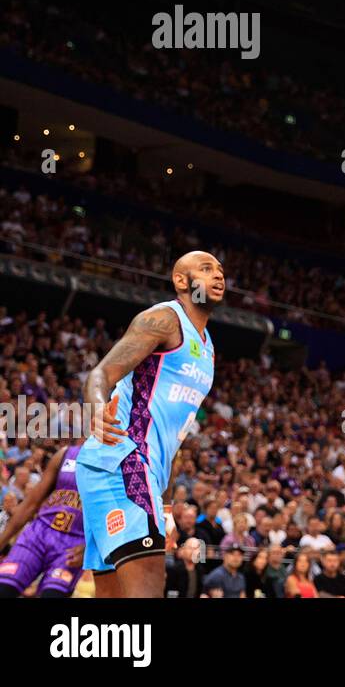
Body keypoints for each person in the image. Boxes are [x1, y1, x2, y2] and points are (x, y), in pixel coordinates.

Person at [75, 251, 223, 598]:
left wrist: (167, 507)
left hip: (131, 470)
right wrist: (97, 408)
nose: (218, 276)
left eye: (219, 270)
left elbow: (173, 442)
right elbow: (101, 374)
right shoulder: (164, 319)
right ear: (181, 281)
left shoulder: (209, 348)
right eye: (205, 269)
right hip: (124, 458)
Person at [0, 443, 84, 599]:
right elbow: (31, 503)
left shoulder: (120, 464)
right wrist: (2, 541)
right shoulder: (66, 454)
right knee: (4, 589)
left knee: (52, 595)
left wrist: (90, 547)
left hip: (74, 544)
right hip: (39, 533)